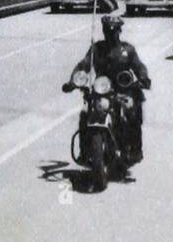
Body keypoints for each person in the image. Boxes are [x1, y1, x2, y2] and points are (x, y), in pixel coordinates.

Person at [63, 16, 152, 162]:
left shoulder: (127, 49)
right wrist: (73, 80)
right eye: (107, 31)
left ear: (119, 31)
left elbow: (139, 66)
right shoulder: (97, 48)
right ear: (103, 31)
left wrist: (143, 78)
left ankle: (135, 149)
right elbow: (83, 64)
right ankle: (84, 152)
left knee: (131, 112)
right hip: (101, 90)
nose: (110, 34)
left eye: (114, 30)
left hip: (123, 89)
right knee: (85, 114)